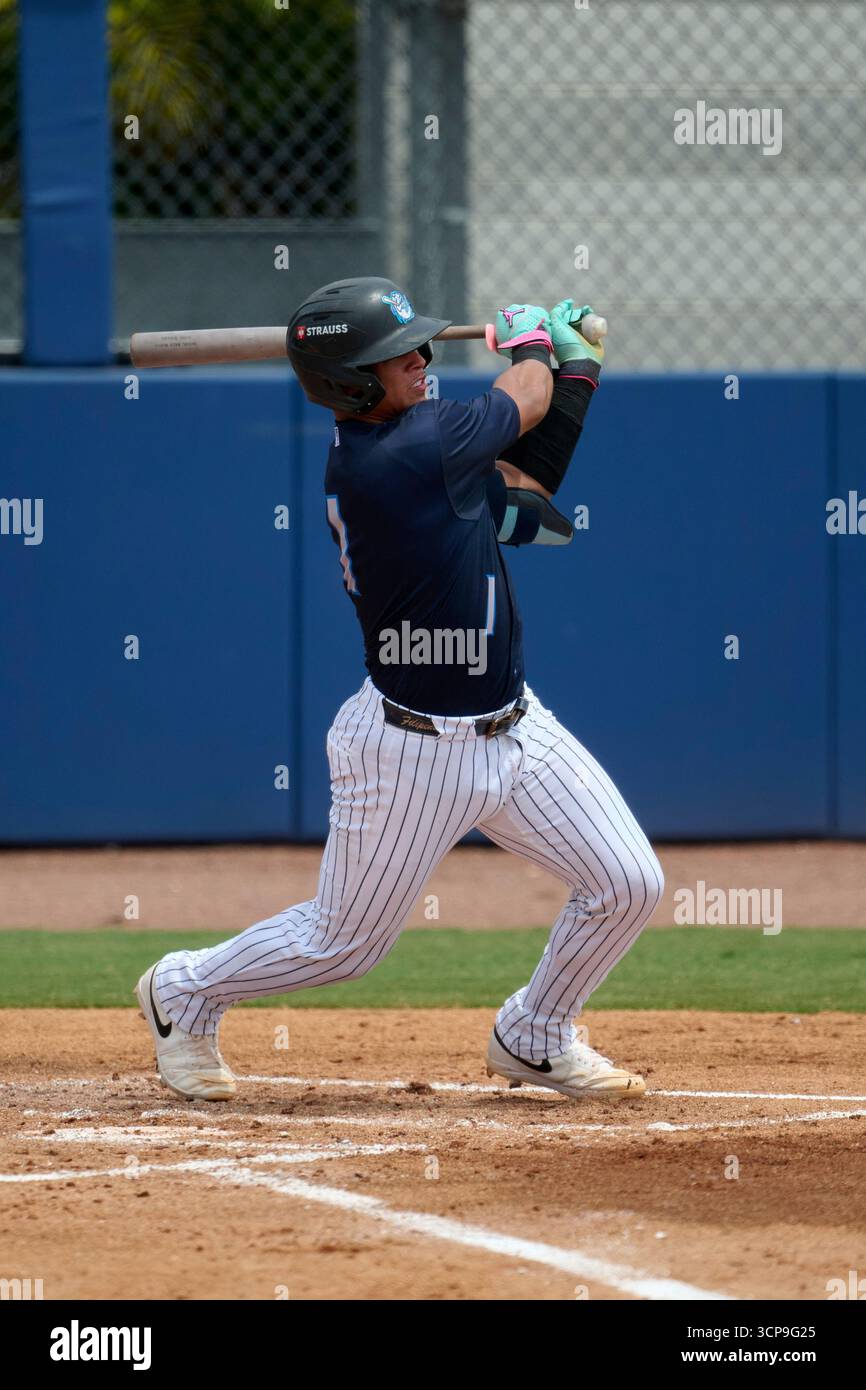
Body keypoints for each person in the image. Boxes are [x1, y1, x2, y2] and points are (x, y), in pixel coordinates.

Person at [135, 277, 663, 1102]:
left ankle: (533, 1034)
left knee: (628, 884)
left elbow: (526, 500)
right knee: (341, 946)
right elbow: (521, 400)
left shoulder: (427, 451)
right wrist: (533, 347)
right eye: (395, 355)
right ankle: (184, 990)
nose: (420, 360)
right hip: (408, 753)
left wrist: (579, 374)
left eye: (418, 345)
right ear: (349, 383)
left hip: (517, 731)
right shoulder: (406, 452)